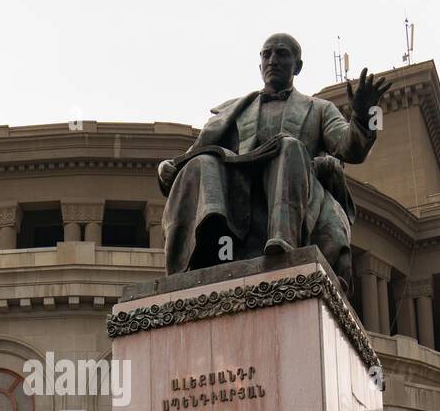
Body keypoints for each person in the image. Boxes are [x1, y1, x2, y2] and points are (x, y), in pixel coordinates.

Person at [158, 33, 392, 290]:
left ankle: (284, 246)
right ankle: (198, 257)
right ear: (259, 65)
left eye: (282, 54)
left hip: (296, 182)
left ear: (298, 66)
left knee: (289, 146)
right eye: (266, 54)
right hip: (240, 187)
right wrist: (167, 168)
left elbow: (350, 149)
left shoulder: (319, 108)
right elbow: (196, 152)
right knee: (201, 163)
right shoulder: (235, 109)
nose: (273, 60)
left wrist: (364, 115)